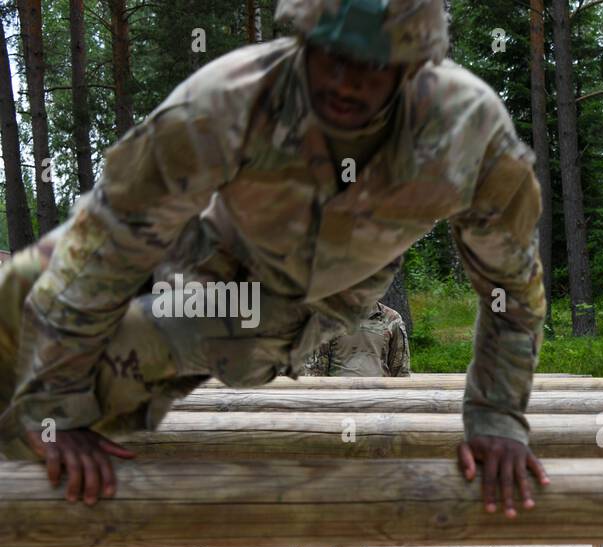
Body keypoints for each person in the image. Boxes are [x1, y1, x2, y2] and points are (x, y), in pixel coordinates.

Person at [0, 0, 547, 519]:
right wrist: (55, 400)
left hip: (289, 301)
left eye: (374, 65)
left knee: (129, 348)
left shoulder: (468, 136)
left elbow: (511, 288)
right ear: (302, 39)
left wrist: (497, 417)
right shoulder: (226, 100)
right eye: (330, 56)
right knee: (20, 281)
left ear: (414, 66)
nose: (346, 81)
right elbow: (110, 241)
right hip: (202, 235)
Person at [294, 302, 410, 547]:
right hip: (335, 418)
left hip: (372, 419)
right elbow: (313, 374)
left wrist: (395, 420)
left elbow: (400, 374)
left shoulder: (391, 320)